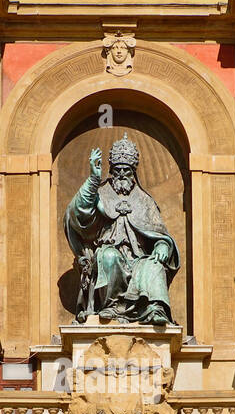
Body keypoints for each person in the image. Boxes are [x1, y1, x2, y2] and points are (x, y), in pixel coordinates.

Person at [64, 135, 180, 327]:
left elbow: (160, 233)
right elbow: (78, 212)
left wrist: (162, 247)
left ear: (133, 171)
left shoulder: (144, 200)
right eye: (117, 170)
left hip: (139, 258)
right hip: (109, 251)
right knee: (109, 257)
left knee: (154, 266)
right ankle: (112, 306)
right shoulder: (100, 193)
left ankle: (154, 309)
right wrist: (93, 179)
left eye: (126, 170)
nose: (122, 174)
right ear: (111, 170)